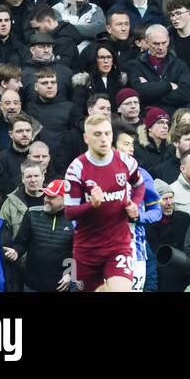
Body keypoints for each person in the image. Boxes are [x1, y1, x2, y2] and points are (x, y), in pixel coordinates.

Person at [63, 112, 145, 292]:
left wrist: (135, 204)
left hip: (119, 246)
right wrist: (91, 205)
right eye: (97, 134)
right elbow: (69, 212)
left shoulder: (126, 161)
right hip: (87, 250)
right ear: (86, 138)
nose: (104, 139)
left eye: (107, 133)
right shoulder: (76, 169)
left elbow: (139, 186)